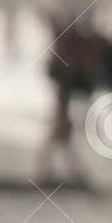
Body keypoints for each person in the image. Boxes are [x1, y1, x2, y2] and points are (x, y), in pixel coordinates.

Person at [38, 10, 98, 185]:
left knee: (61, 133)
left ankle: (61, 169)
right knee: (62, 132)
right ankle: (68, 169)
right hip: (65, 95)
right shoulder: (68, 45)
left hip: (66, 95)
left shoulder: (67, 44)